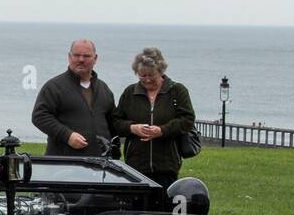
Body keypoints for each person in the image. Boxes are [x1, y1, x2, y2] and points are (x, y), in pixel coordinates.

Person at [111, 46, 195, 187]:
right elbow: (115, 122)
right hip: (135, 165)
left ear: (161, 71)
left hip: (166, 166)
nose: (147, 80)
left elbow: (187, 120)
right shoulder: (130, 92)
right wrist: (132, 128)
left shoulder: (177, 91)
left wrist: (162, 130)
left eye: (151, 75)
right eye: (143, 76)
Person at [31, 39, 117, 156]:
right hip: (64, 162)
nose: (81, 60)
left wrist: (132, 128)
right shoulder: (54, 86)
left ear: (95, 58)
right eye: (77, 55)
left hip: (98, 163)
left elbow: (113, 122)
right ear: (69, 57)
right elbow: (39, 116)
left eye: (86, 56)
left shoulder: (103, 88)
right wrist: (67, 135)